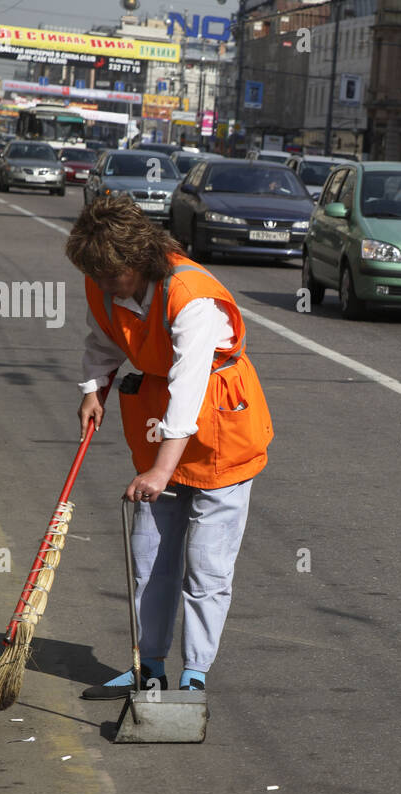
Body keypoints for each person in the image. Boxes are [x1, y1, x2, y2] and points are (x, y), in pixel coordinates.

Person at [65, 195, 273, 698]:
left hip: (220, 429)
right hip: (162, 428)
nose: (103, 287)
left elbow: (189, 385)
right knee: (151, 557)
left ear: (138, 261)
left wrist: (159, 473)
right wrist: (93, 389)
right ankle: (148, 666)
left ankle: (194, 675)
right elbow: (104, 339)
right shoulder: (104, 284)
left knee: (206, 566)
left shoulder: (191, 295)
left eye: (111, 277)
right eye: (96, 277)